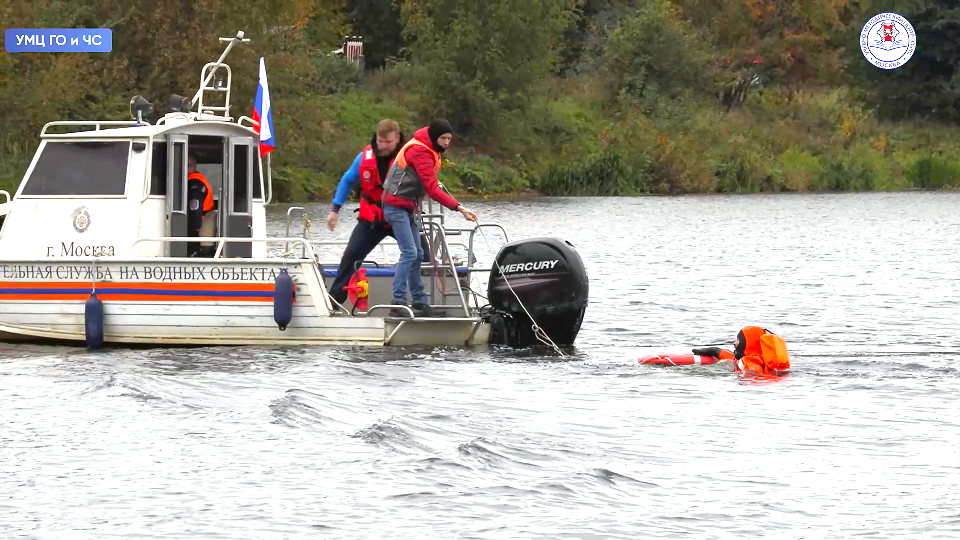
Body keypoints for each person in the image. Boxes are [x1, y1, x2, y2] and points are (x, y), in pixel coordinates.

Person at [381, 119, 478, 317]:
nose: (446, 143)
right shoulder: (420, 151)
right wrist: (459, 208)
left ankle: (419, 302)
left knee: (417, 253)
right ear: (434, 137)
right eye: (443, 138)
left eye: (449, 139)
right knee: (409, 253)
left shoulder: (428, 147)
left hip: (410, 206)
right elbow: (432, 189)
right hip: (395, 206)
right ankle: (397, 301)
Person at [326, 120, 409, 306]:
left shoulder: (409, 157)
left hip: (400, 217)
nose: (383, 146)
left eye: (388, 142)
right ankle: (334, 303)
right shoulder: (364, 157)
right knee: (350, 258)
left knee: (422, 254)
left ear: (397, 139)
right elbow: (347, 180)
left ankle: (424, 301)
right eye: (380, 141)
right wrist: (334, 210)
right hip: (371, 220)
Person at [187, 154, 215, 256]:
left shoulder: (195, 183)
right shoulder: (197, 180)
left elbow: (195, 211)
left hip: (200, 225)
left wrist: (193, 236)